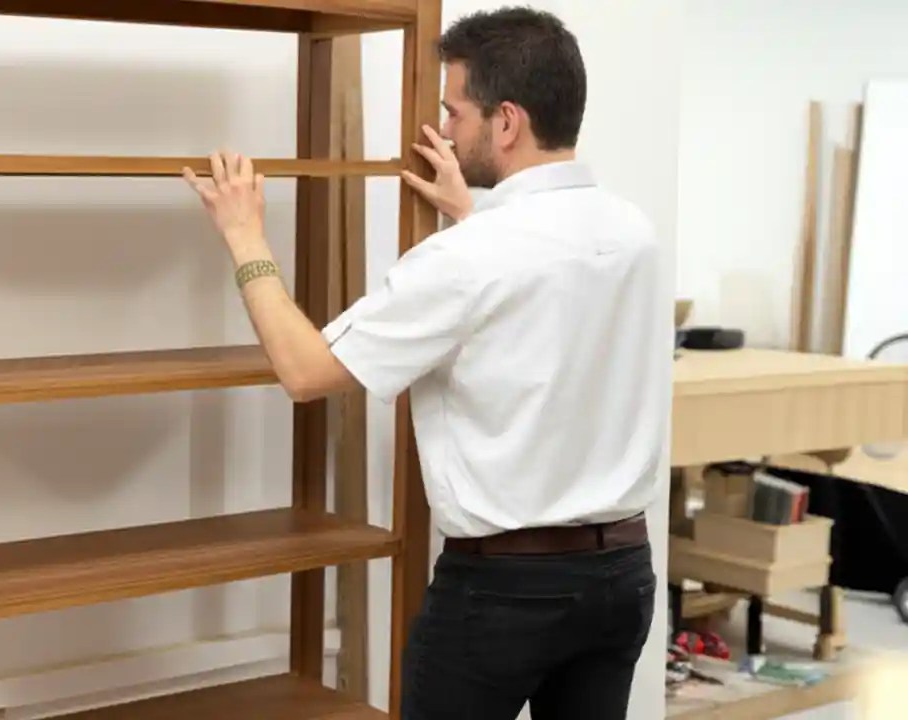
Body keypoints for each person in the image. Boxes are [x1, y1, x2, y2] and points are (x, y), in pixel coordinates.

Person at [182, 6, 667, 720]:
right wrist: (473, 216)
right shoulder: (633, 232)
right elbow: (535, 292)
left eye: (455, 111)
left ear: (507, 122)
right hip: (621, 578)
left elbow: (304, 371)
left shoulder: (467, 259)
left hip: (505, 592)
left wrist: (244, 235)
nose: (445, 127)